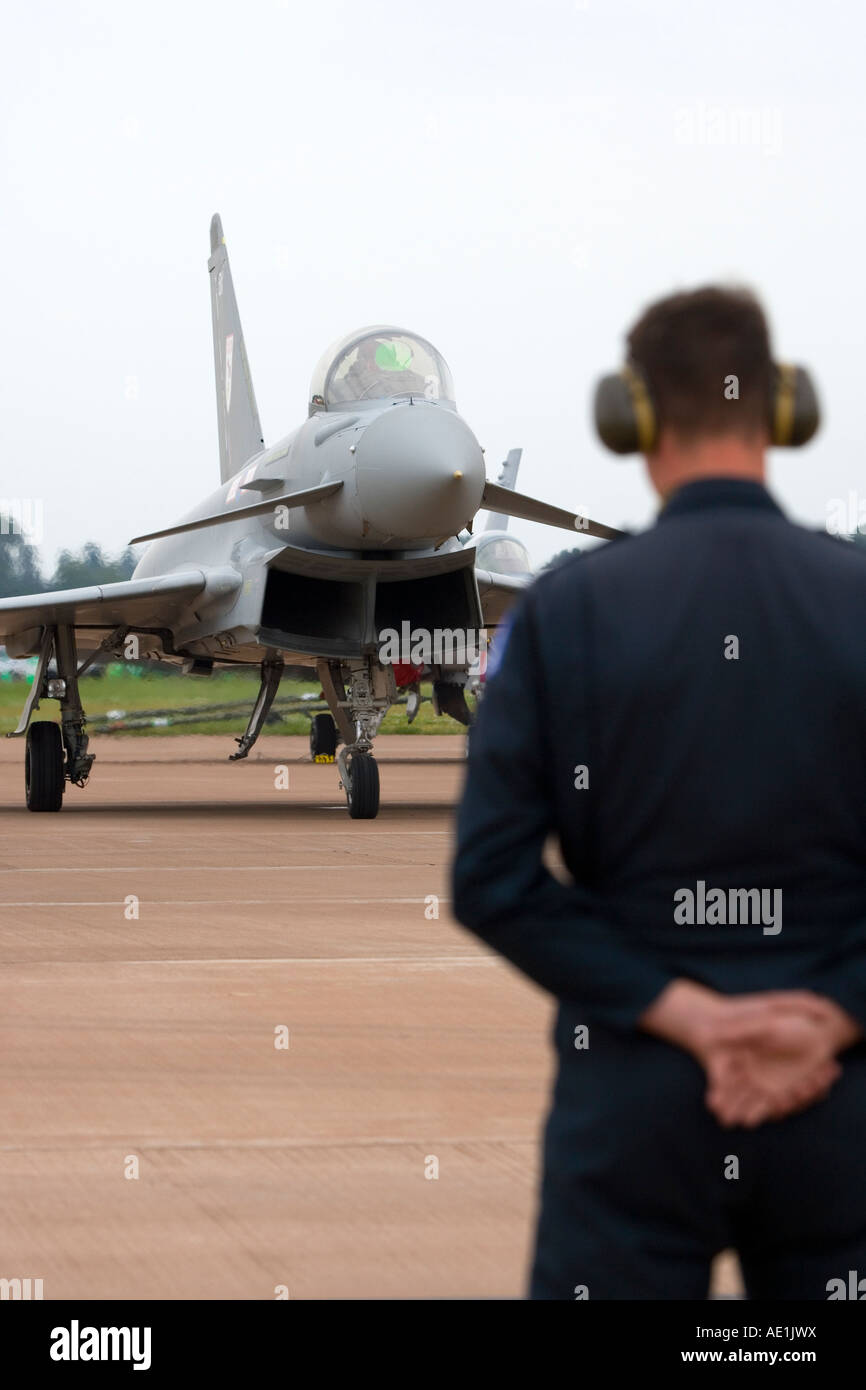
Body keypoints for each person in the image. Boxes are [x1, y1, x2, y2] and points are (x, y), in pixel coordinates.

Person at [451, 286, 866, 1300]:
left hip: (634, 1104)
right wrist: (831, 1016)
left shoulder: (567, 612)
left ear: (628, 416)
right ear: (783, 409)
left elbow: (489, 879)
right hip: (839, 1108)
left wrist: (679, 1012)